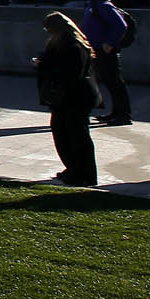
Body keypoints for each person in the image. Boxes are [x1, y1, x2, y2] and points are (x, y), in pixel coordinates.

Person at [35, 12, 99, 186]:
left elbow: (70, 73)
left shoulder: (72, 46)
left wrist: (44, 66)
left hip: (73, 97)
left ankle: (84, 173)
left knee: (76, 136)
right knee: (65, 134)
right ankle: (74, 168)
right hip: (69, 97)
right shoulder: (68, 43)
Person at [78, 0, 132, 126]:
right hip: (97, 48)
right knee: (109, 81)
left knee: (115, 82)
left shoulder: (102, 5)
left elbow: (121, 25)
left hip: (105, 49)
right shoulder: (92, 4)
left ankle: (123, 115)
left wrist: (109, 43)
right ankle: (116, 112)